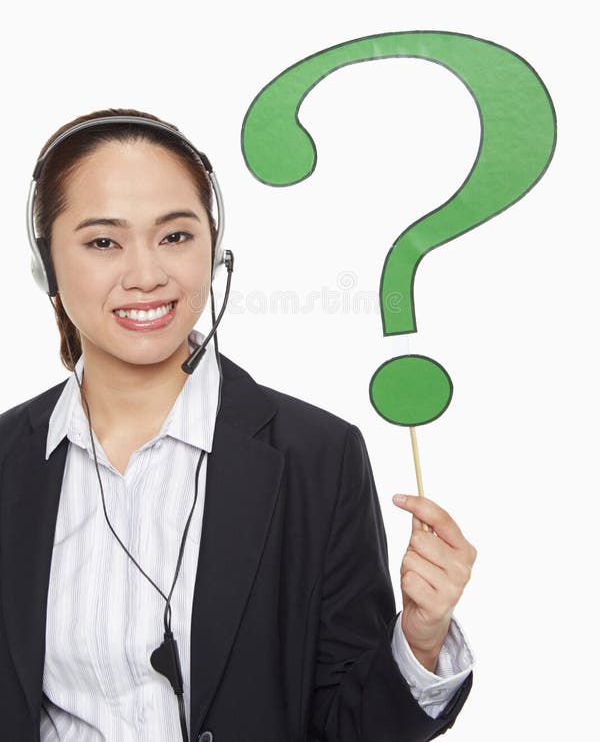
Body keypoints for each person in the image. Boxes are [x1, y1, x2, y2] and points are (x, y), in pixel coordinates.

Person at [0, 107, 477, 742]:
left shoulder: (318, 458)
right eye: (103, 242)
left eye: (175, 236)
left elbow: (351, 727)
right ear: (47, 267)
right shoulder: (6, 462)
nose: (146, 275)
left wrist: (419, 641)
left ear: (215, 248)